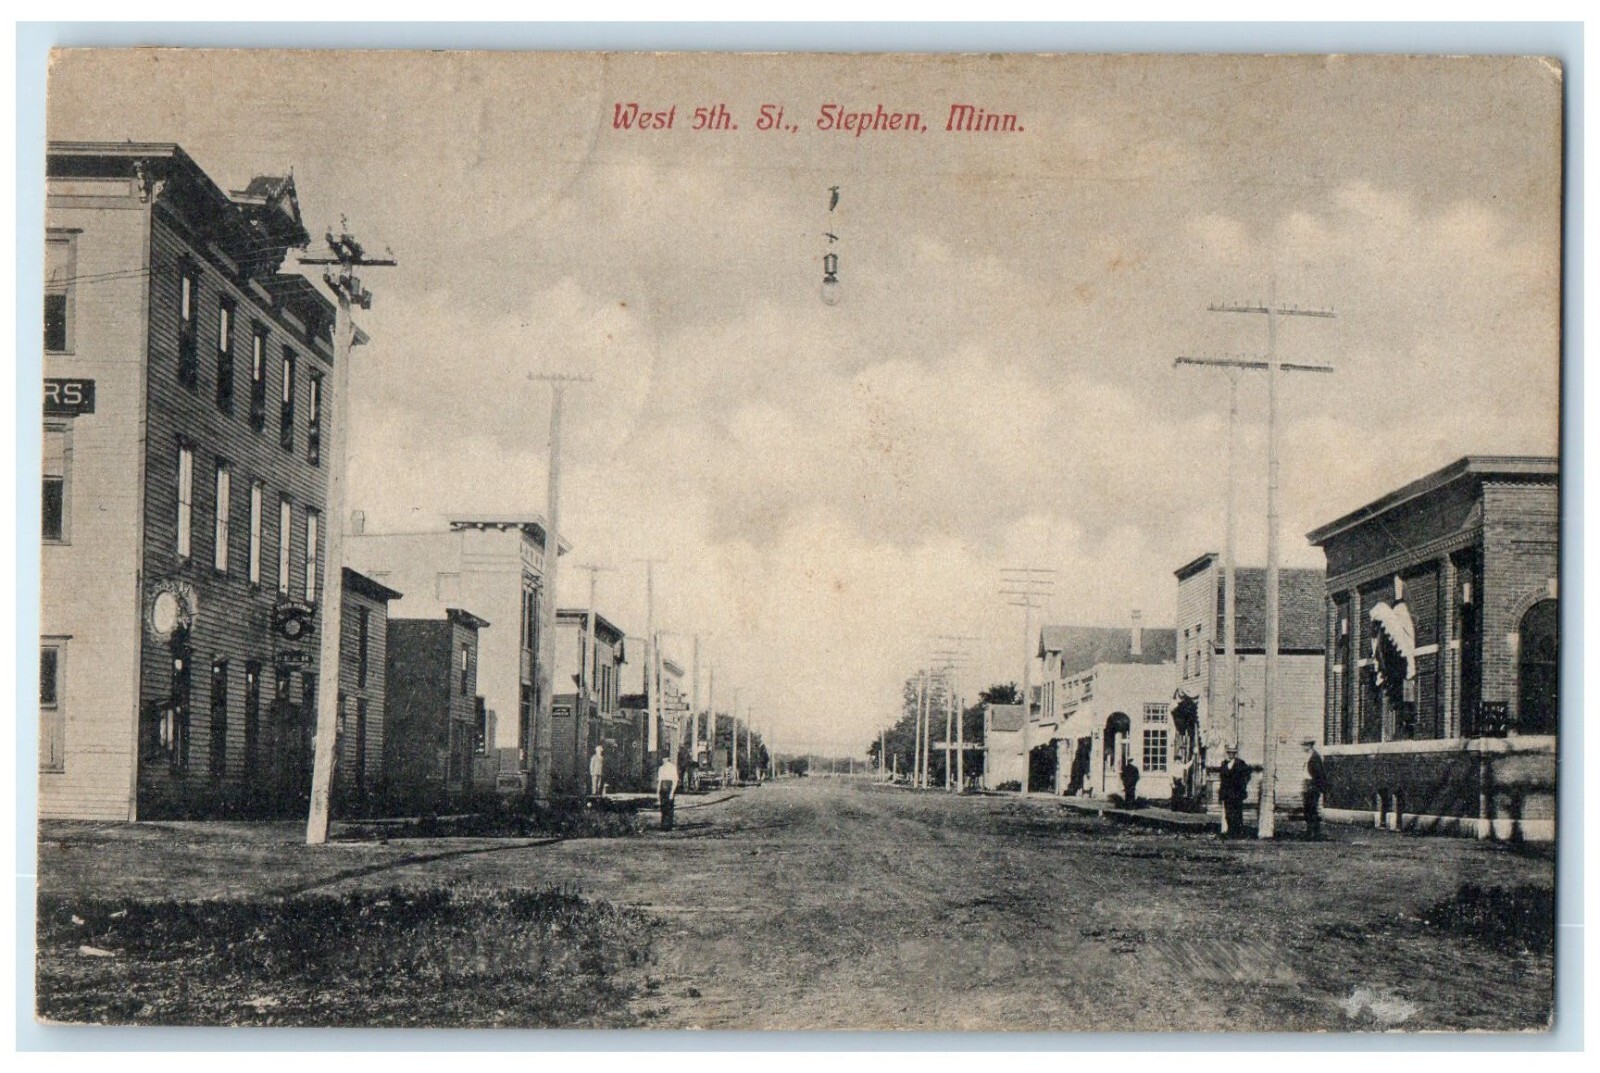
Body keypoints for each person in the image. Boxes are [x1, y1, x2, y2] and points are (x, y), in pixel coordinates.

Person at [1218, 744, 1252, 839]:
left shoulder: (1240, 763)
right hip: (1227, 793)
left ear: (1235, 754)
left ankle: (1238, 833)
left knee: (1237, 813)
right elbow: (1222, 780)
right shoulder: (1224, 764)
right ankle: (1230, 832)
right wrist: (1221, 794)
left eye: (1232, 753)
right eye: (1229, 753)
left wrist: (1242, 785)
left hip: (1237, 793)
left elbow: (1248, 773)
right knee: (1228, 814)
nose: (1230, 755)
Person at [1302, 740, 1328, 840]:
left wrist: (1317, 787)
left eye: (1305, 745)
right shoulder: (1308, 756)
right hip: (1307, 784)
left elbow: (1319, 774)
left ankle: (1314, 833)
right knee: (1308, 809)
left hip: (1312, 785)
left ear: (1309, 745)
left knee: (1312, 809)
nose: (1303, 747)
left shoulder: (1315, 757)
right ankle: (1310, 831)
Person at [656, 751, 680, 830]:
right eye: (663, 758)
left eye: (665, 758)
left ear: (668, 758)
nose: (664, 760)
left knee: (669, 807)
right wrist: (657, 792)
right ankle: (663, 825)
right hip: (662, 789)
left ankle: (669, 826)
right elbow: (659, 781)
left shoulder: (672, 767)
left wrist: (672, 792)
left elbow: (675, 780)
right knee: (663, 807)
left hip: (669, 788)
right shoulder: (661, 768)